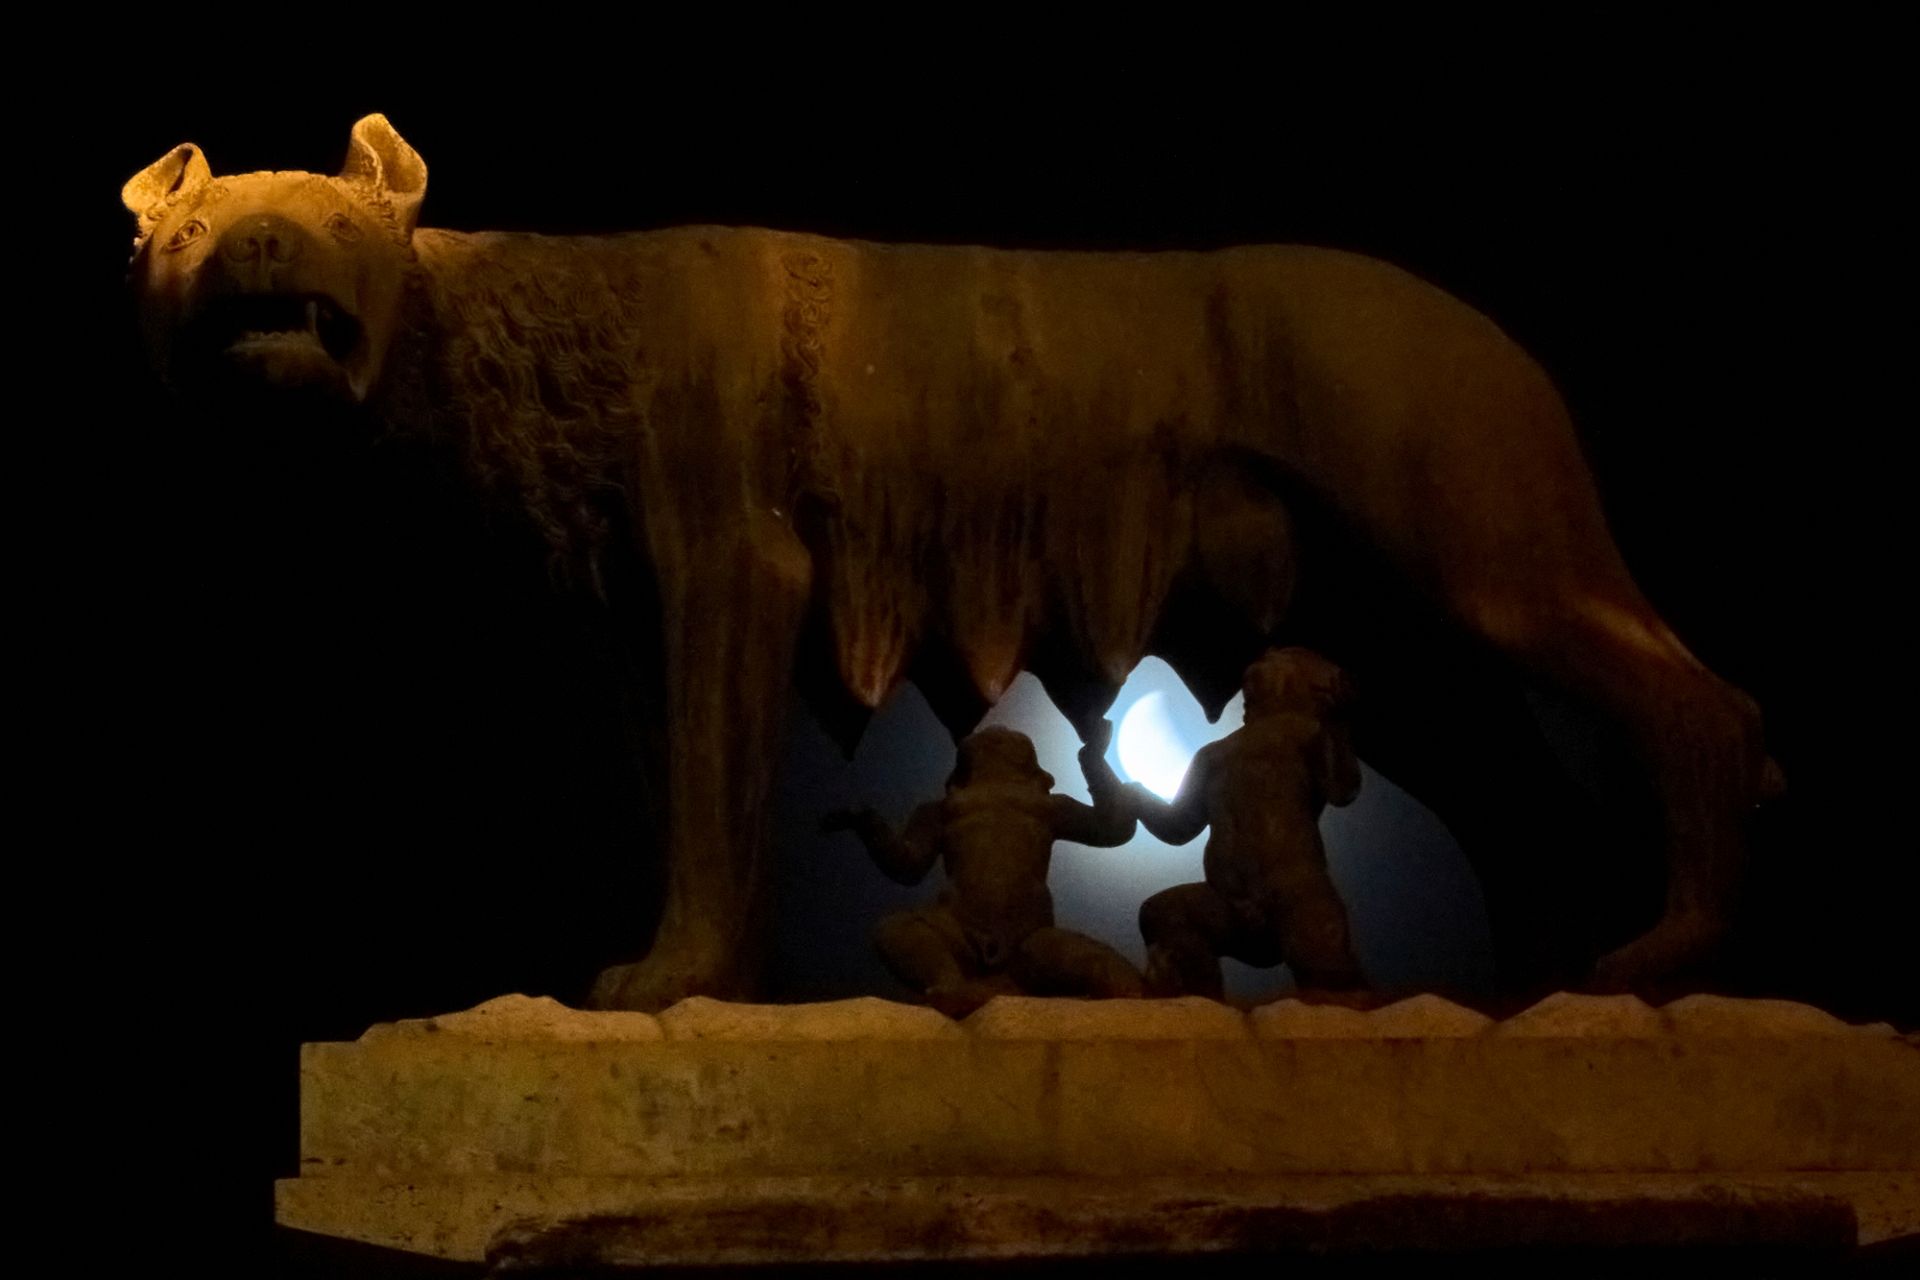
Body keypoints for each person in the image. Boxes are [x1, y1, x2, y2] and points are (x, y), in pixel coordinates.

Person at [1091, 648, 1367, 999]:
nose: (1253, 685)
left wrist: (1337, 725)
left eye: (1271, 673)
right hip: (1227, 902)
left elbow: (1343, 788)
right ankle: (1199, 1015)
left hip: (1295, 893)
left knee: (1337, 995)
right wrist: (1134, 795)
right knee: (1166, 913)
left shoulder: (1304, 732)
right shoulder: (1213, 755)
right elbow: (1179, 826)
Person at [823, 724, 1144, 1016]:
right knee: (896, 931)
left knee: (1088, 959)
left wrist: (1094, 762)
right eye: (989, 747)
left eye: (1008, 746)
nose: (998, 745)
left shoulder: (1046, 807)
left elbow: (1112, 828)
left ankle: (1141, 995)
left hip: (1029, 940)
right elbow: (908, 865)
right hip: (958, 932)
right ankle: (949, 981)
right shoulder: (943, 811)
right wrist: (869, 825)